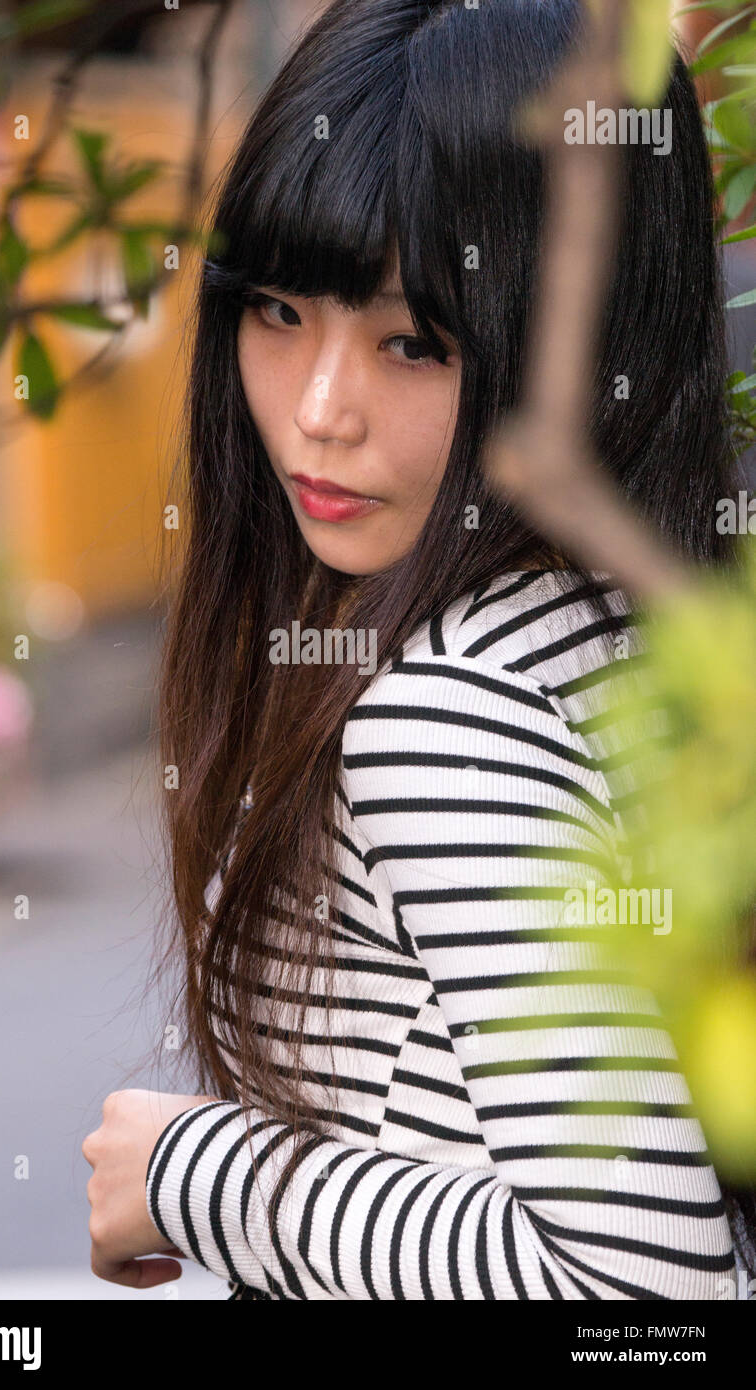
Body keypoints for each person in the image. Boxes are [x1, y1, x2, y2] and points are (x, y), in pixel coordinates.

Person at [82, 0, 754, 1299]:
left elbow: (640, 1286)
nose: (317, 414)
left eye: (409, 341)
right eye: (276, 310)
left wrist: (196, 1172)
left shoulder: (447, 704)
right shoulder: (630, 629)